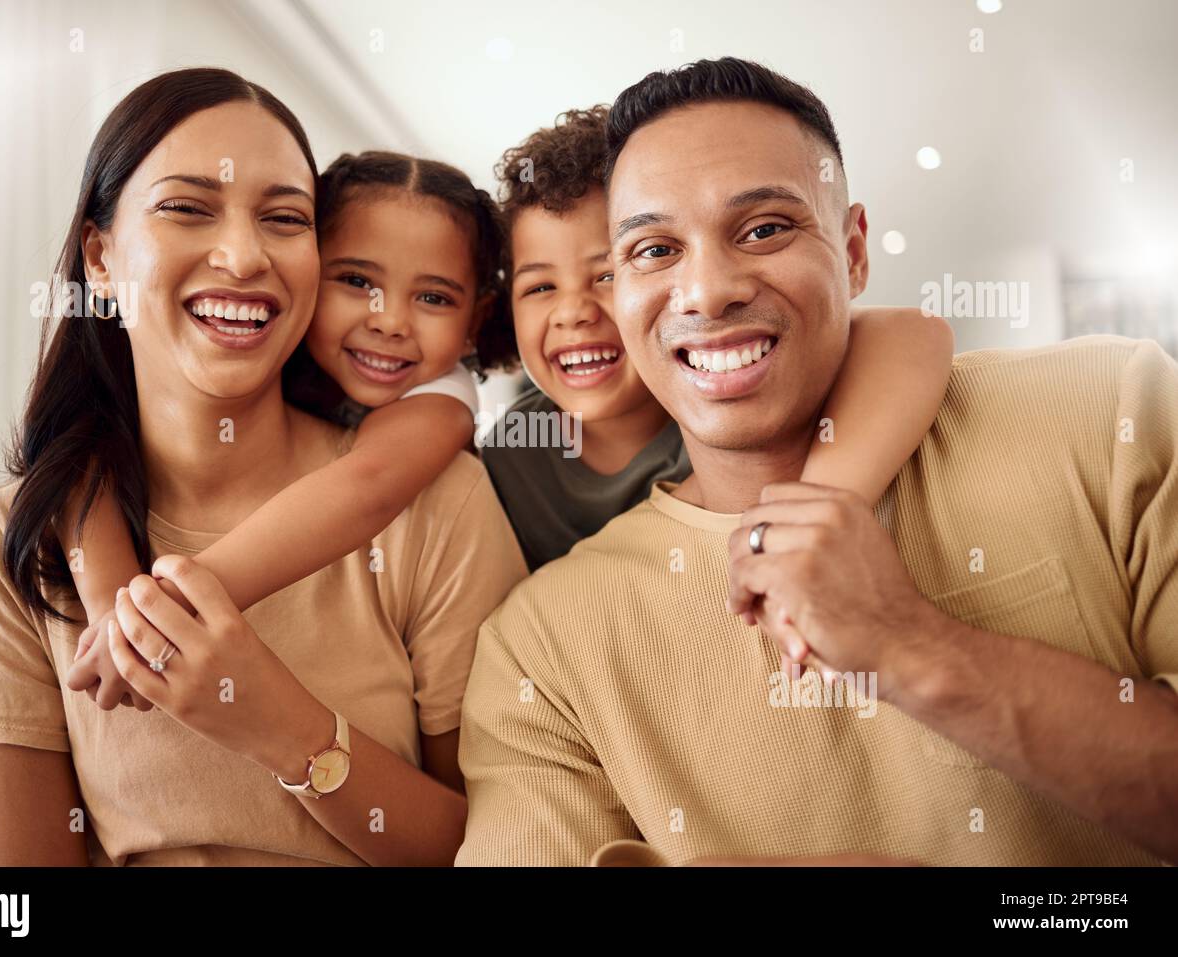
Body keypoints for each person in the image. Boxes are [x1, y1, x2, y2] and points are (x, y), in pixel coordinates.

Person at [456, 57, 1178, 866]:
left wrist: (911, 648)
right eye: (655, 250)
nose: (708, 290)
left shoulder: (1115, 409)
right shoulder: (537, 646)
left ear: (855, 250)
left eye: (764, 229)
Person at [0, 68, 525, 866]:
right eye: (187, 208)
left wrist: (287, 729)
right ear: (100, 256)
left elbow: (505, 849)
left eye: (285, 219)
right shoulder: (18, 538)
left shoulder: (437, 503)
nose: (243, 254)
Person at [485, 106, 953, 570]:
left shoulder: (720, 419)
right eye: (540, 287)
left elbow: (912, 334)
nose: (573, 313)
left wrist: (815, 516)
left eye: (606, 276)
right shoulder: (509, 453)